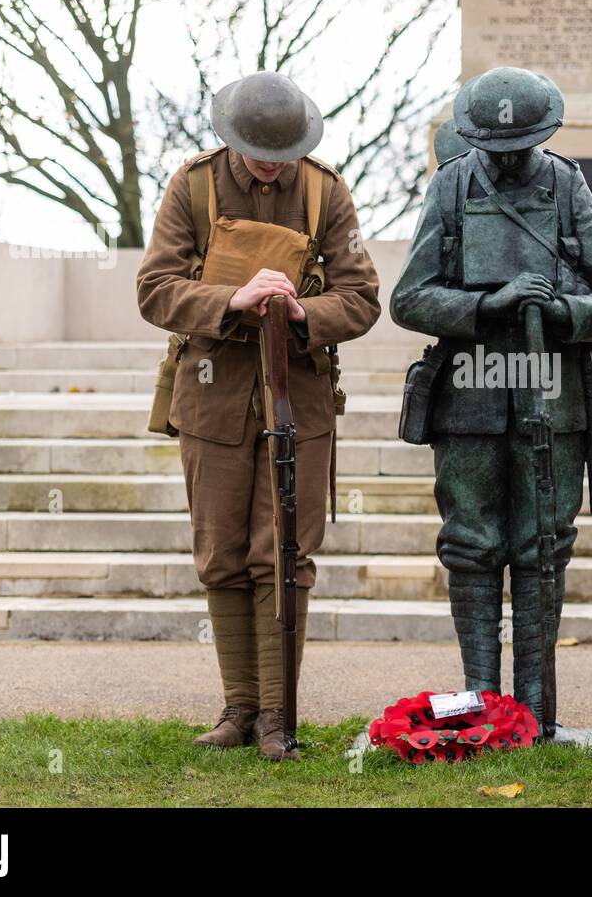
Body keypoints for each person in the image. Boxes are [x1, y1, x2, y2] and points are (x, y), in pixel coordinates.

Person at [136, 71, 381, 759]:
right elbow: (155, 288)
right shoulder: (192, 186)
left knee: (286, 554)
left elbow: (362, 295)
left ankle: (278, 713)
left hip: (296, 394)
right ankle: (237, 705)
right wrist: (230, 300)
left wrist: (306, 312)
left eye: (283, 152)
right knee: (220, 552)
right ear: (231, 138)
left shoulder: (325, 191)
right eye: (258, 152)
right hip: (212, 390)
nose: (271, 165)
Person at [390, 67, 592, 728]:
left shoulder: (566, 185)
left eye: (521, 146)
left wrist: (559, 312)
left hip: (550, 400)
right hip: (468, 398)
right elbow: (409, 298)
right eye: (496, 149)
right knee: (470, 545)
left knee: (542, 546)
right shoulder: (450, 185)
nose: (508, 159)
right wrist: (485, 304)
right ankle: (479, 698)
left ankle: (532, 704)